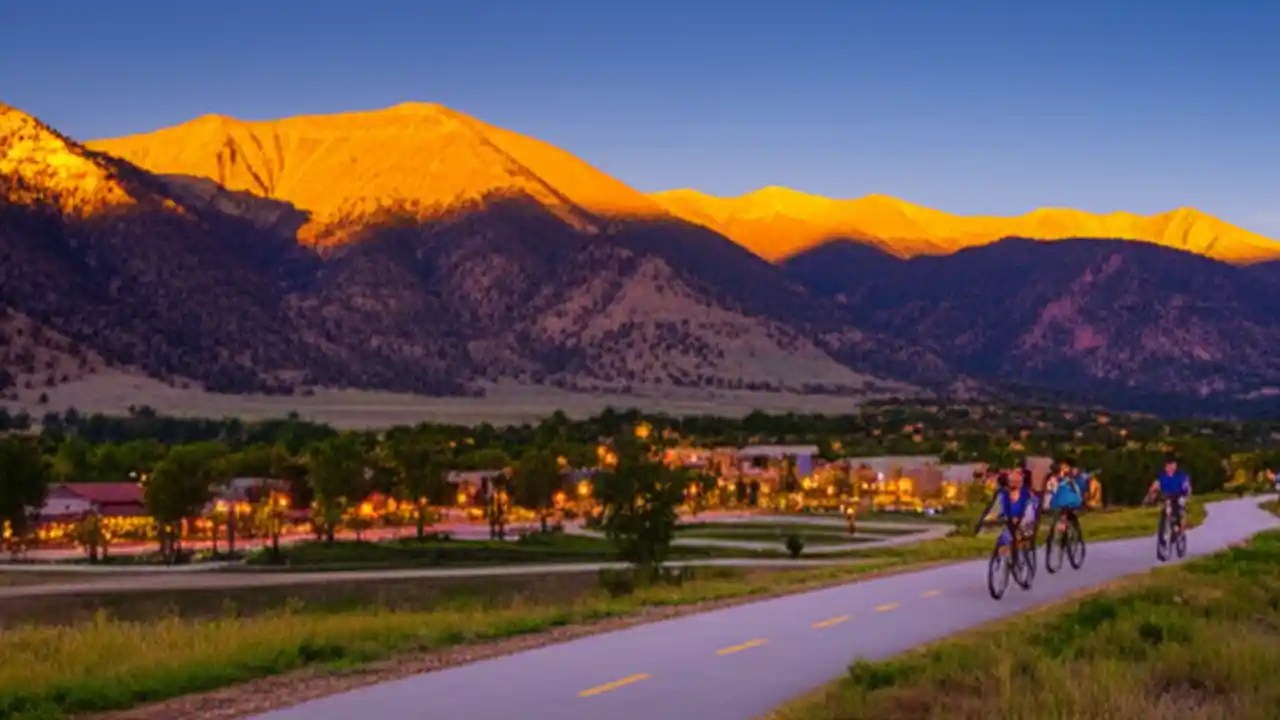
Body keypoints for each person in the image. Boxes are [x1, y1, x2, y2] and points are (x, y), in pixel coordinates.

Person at [974, 469, 1036, 554]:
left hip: (1020, 526)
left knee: (1009, 530)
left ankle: (1010, 546)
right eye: (1012, 481)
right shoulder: (1006, 495)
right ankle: (1010, 546)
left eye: (1016, 481)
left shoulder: (1024, 495)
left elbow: (1029, 511)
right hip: (1016, 526)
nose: (1014, 484)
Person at [1147, 456, 1191, 533]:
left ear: (1175, 466)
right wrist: (1151, 496)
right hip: (1166, 497)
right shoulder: (1162, 477)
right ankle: (1166, 530)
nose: (1170, 468)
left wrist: (1185, 494)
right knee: (1166, 509)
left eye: (1172, 465)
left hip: (1178, 496)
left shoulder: (1181, 476)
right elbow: (1155, 486)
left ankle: (1180, 529)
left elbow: (1187, 486)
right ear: (1165, 467)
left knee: (1180, 510)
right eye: (1168, 466)